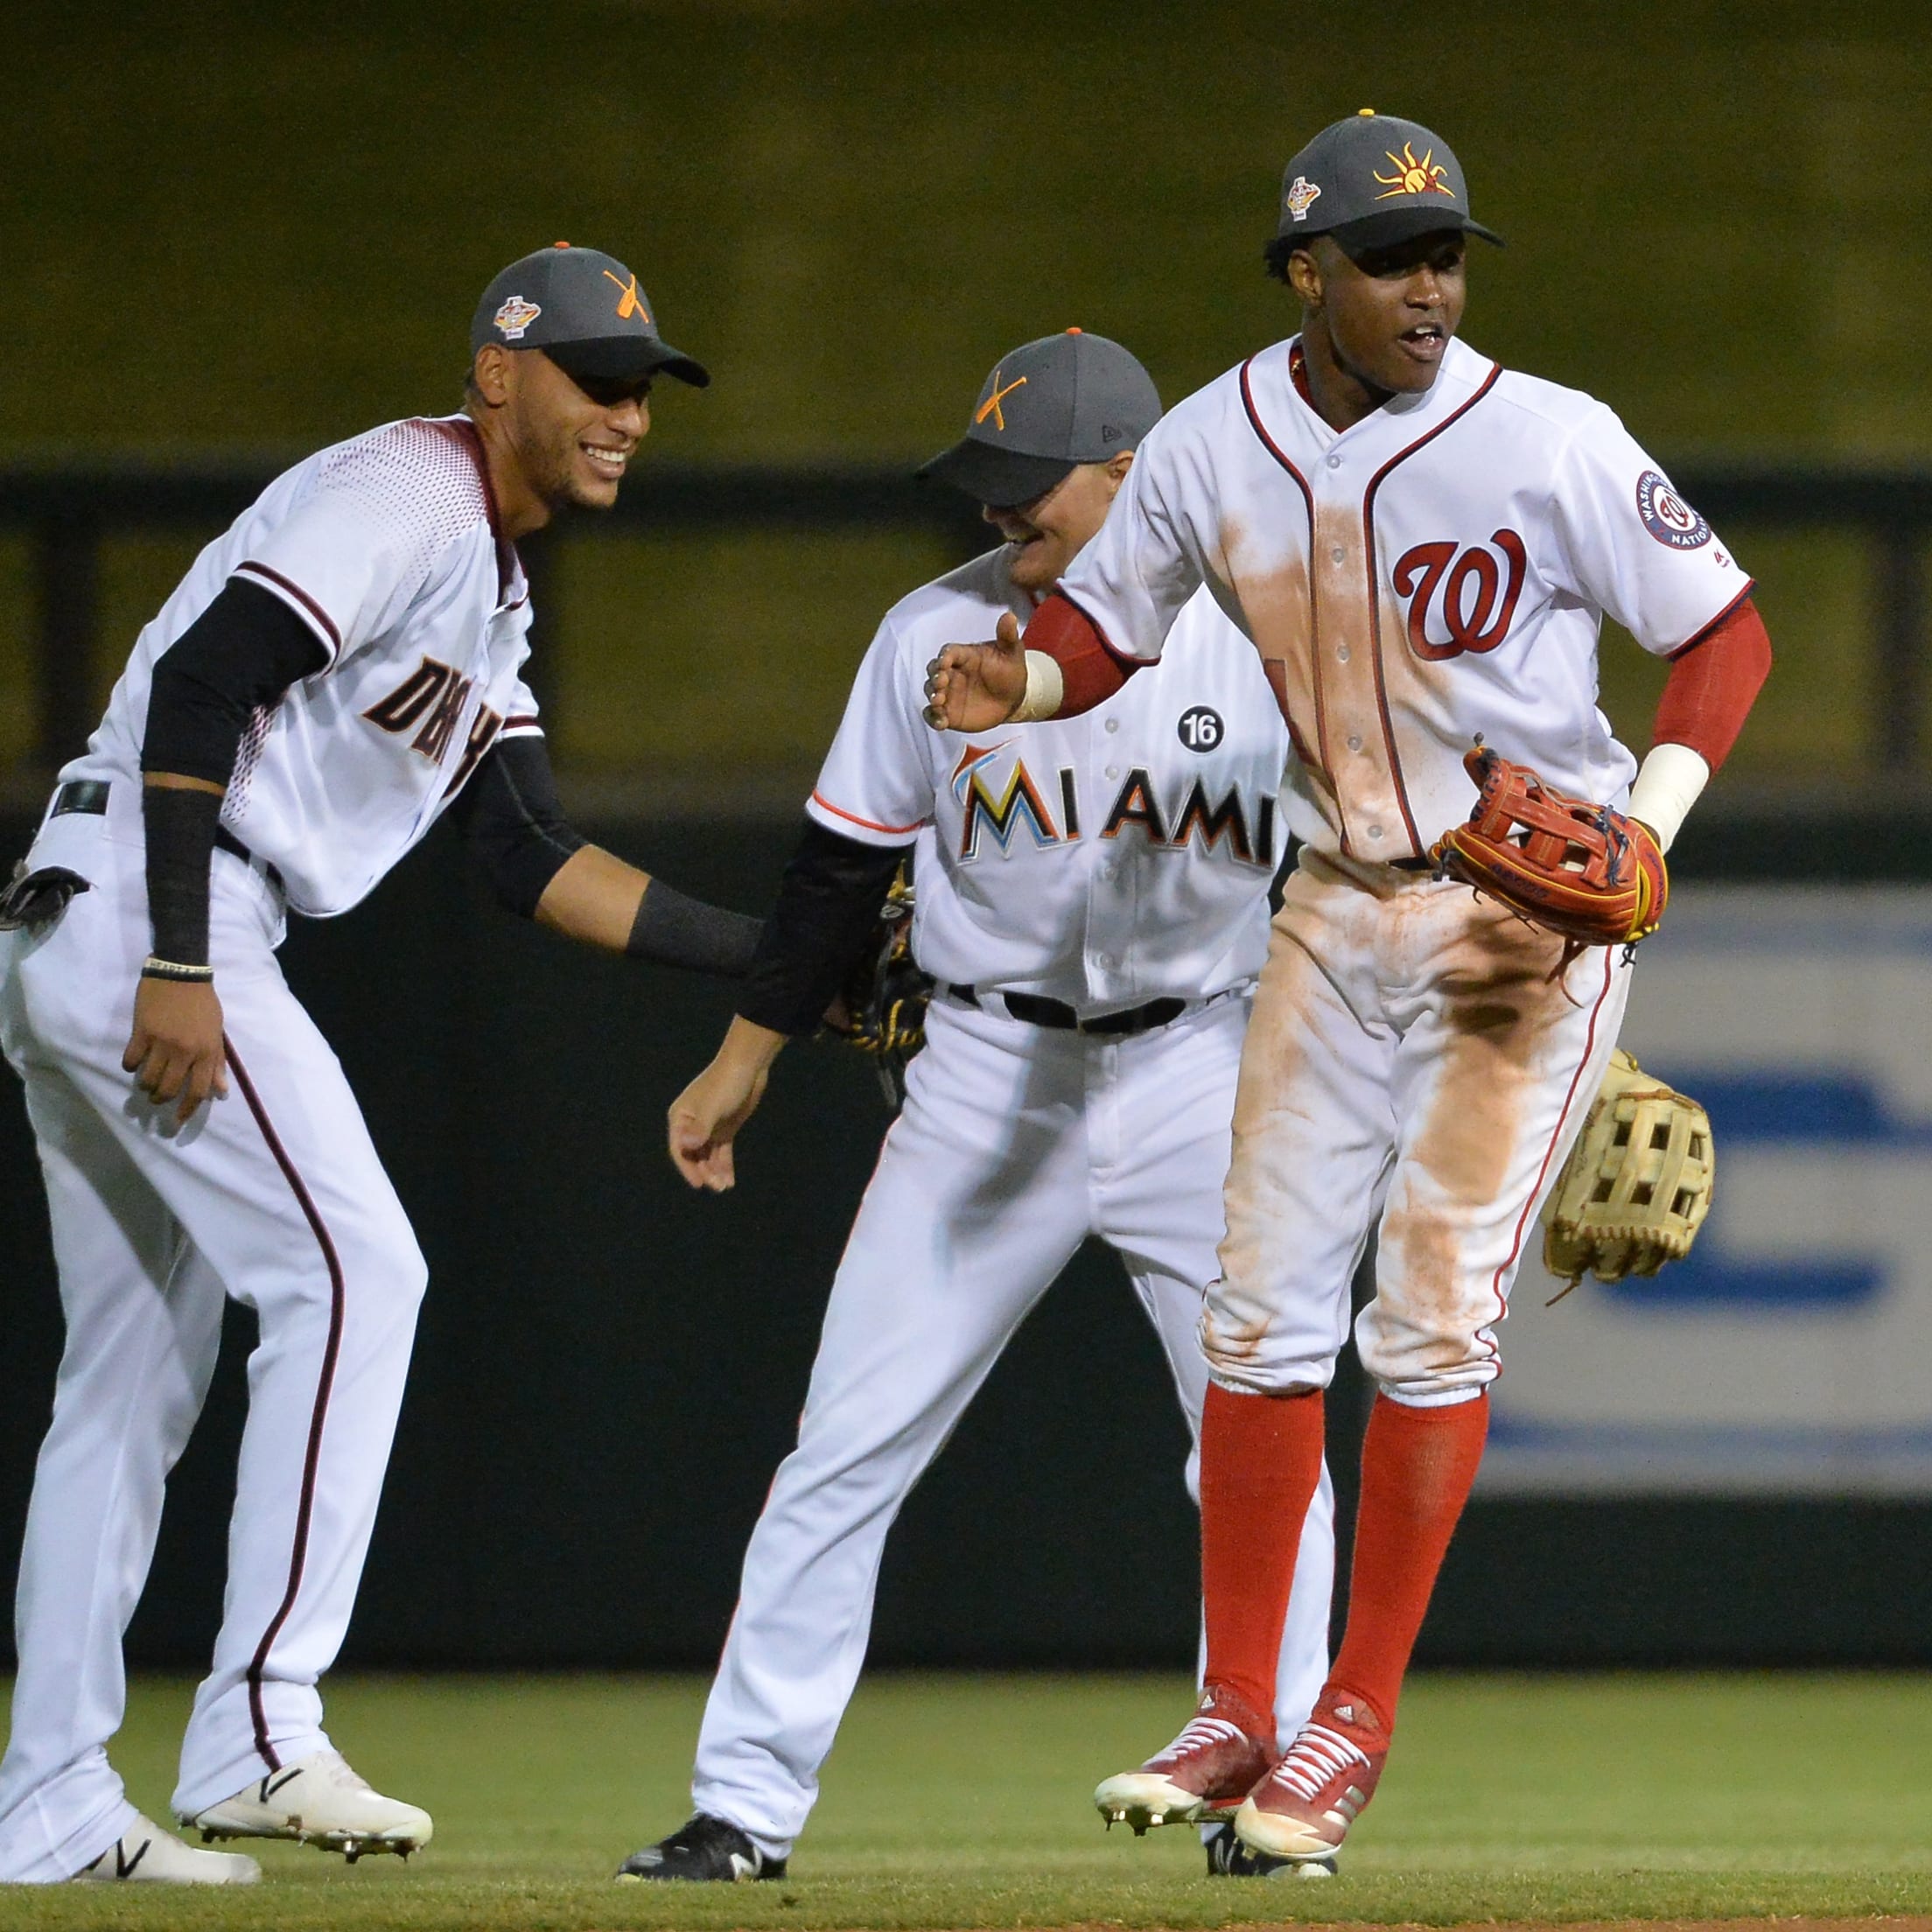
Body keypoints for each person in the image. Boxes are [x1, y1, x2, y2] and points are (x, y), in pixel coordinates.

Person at [925, 113, 1770, 1865]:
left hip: (1525, 923)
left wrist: (1652, 823)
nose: (1428, 288)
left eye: (1445, 255)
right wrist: (1022, 683)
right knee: (1257, 1318)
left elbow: (1724, 632)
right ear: (1306, 272)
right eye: (1389, 261)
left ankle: (1351, 1722)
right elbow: (1108, 624)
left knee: (1435, 1316)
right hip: (1330, 903)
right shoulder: (1206, 441)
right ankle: (1239, 1707)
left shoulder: (1546, 437)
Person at [0, 244, 763, 1886]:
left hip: (106, 904)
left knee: (127, 1380)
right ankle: (259, 1729)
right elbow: (208, 677)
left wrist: (777, 963)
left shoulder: (493, 592)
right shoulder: (409, 492)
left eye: (643, 390)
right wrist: (182, 959)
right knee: (357, 1274)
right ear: (497, 374)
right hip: (163, 903)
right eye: (594, 380)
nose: (627, 415)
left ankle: (47, 1800)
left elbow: (526, 853)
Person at [620, 329, 1337, 1885]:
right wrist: (744, 1058)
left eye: (1032, 485)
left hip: (1202, 1074)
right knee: (847, 1440)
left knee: (1262, 1429)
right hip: (983, 1073)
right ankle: (743, 1806)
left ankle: (1276, 1798)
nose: (1000, 511)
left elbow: (1389, 831)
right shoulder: (930, 634)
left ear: (1134, 477)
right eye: (987, 483)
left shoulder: (1268, 632)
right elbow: (838, 868)